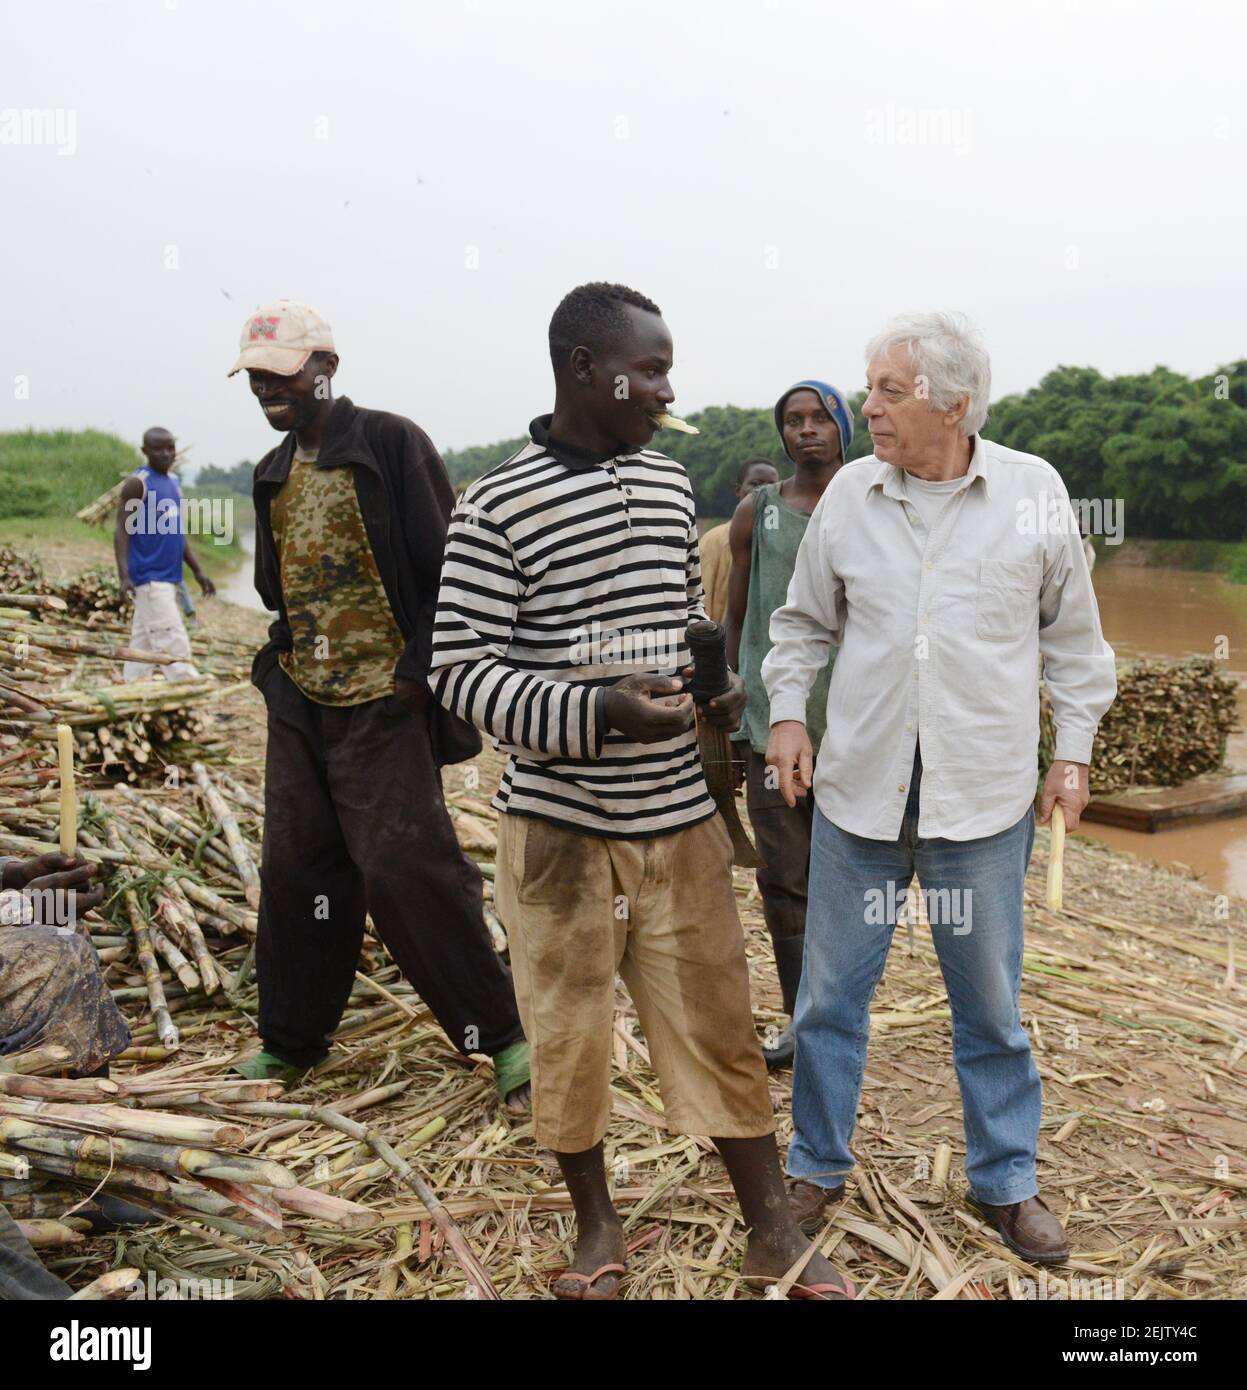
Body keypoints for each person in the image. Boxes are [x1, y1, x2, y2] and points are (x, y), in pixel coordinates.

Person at [431, 281, 854, 1301]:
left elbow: (674, 614)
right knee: (568, 1031)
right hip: (556, 830)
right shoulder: (495, 504)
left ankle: (765, 1230)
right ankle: (596, 1224)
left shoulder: (668, 484)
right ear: (586, 368)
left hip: (674, 819)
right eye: (650, 369)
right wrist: (596, 712)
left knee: (716, 1015)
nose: (666, 389)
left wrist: (710, 689)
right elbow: (456, 666)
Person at [764, 312, 1117, 1264]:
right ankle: (815, 1165)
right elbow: (800, 627)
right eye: (868, 388)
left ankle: (1005, 1182)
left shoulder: (1033, 493)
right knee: (828, 1001)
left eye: (887, 390)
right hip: (859, 797)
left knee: (989, 1009)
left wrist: (1071, 752)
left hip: (983, 804)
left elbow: (1076, 647)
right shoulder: (848, 495)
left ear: (952, 404)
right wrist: (789, 715)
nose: (864, 407)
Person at [227, 300, 530, 1108]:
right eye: (257, 379)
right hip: (301, 696)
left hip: (382, 699)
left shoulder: (392, 443)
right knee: (298, 869)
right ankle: (291, 1044)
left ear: (325, 368)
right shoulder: (272, 470)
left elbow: (448, 569)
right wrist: (275, 668)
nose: (268, 392)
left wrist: (414, 676)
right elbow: (273, 588)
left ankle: (499, 1038)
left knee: (405, 866)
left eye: (281, 376)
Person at [726, 382, 852, 1069]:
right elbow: (736, 620)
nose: (805, 430)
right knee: (784, 880)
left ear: (843, 427)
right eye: (792, 420)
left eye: (819, 418)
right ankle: (804, 1023)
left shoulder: (871, 502)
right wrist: (722, 703)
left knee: (852, 879)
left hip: (859, 727)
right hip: (771, 726)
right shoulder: (758, 513)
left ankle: (839, 1018)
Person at [114, 428, 214, 681]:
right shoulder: (138, 483)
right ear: (144, 451)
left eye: (170, 447)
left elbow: (178, 534)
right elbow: (121, 532)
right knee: (172, 636)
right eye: (158, 448)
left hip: (170, 577)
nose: (166, 453)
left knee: (143, 642)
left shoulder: (174, 482)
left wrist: (198, 571)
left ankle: (132, 686)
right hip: (149, 578)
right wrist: (124, 576)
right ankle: (188, 685)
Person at [698, 458, 778, 622]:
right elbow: (700, 600)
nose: (764, 491)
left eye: (772, 486)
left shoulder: (784, 539)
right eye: (756, 484)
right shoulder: (714, 540)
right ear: (738, 490)